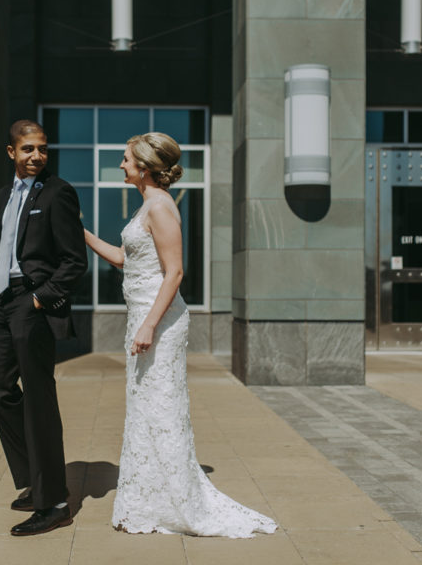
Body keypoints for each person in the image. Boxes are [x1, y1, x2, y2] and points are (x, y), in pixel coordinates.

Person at [84, 132, 277, 537]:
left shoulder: (160, 207)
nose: (120, 165)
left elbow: (174, 272)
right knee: (145, 408)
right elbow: (125, 259)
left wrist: (150, 325)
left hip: (159, 322)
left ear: (144, 166)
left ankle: (176, 501)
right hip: (141, 315)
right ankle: (149, 498)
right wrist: (81, 234)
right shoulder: (147, 206)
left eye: (124, 159)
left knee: (161, 407)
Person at [0, 120, 88, 536]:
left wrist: (41, 298)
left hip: (32, 304)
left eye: (42, 149)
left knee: (39, 401)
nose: (36, 156)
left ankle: (54, 502)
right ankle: (36, 478)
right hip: (2, 304)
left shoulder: (58, 192)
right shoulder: (5, 194)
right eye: (27, 149)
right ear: (11, 152)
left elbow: (73, 261)